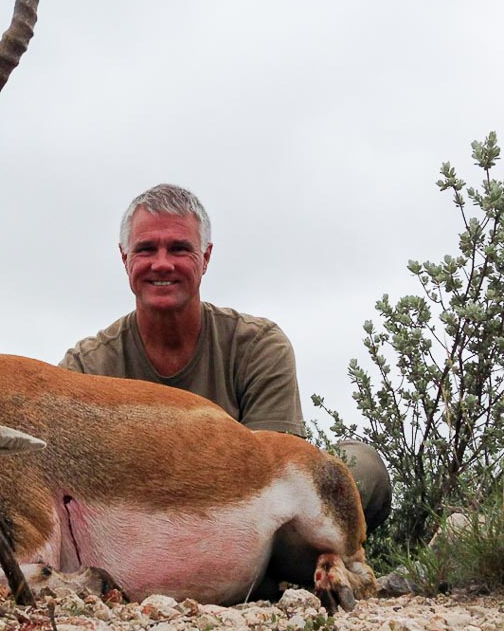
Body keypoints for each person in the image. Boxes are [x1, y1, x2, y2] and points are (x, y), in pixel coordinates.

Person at [60, 183, 392, 532]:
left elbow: (272, 475)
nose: (162, 264)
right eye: (146, 249)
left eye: (179, 249)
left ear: (205, 257)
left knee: (360, 467)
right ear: (125, 257)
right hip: (135, 532)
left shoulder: (260, 346)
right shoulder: (86, 368)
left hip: (249, 525)